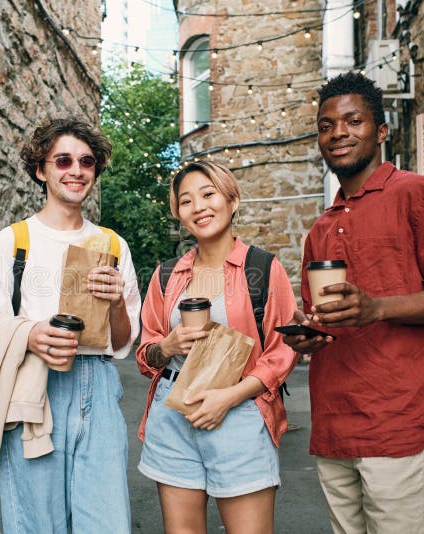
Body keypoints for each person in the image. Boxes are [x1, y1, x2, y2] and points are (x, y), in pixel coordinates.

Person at [282, 72, 424, 534]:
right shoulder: (320, 228)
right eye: (326, 124)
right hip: (335, 419)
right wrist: (309, 336)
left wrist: (378, 308)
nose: (338, 133)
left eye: (353, 120)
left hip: (400, 418)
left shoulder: (418, 194)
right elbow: (330, 322)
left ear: (382, 130)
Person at [0, 117, 141, 533]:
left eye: (87, 162)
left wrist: (117, 299)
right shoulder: (11, 242)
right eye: (62, 160)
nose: (76, 171)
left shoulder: (112, 244)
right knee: (37, 522)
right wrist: (31, 333)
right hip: (34, 386)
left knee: (106, 523)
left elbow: (122, 342)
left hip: (99, 386)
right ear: (40, 170)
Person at [136, 161, 298, 534]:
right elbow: (145, 356)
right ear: (179, 213)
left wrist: (227, 398)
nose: (199, 207)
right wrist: (166, 345)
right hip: (173, 413)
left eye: (208, 194)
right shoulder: (166, 275)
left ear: (232, 199)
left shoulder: (262, 268)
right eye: (187, 201)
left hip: (239, 413)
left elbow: (282, 351)